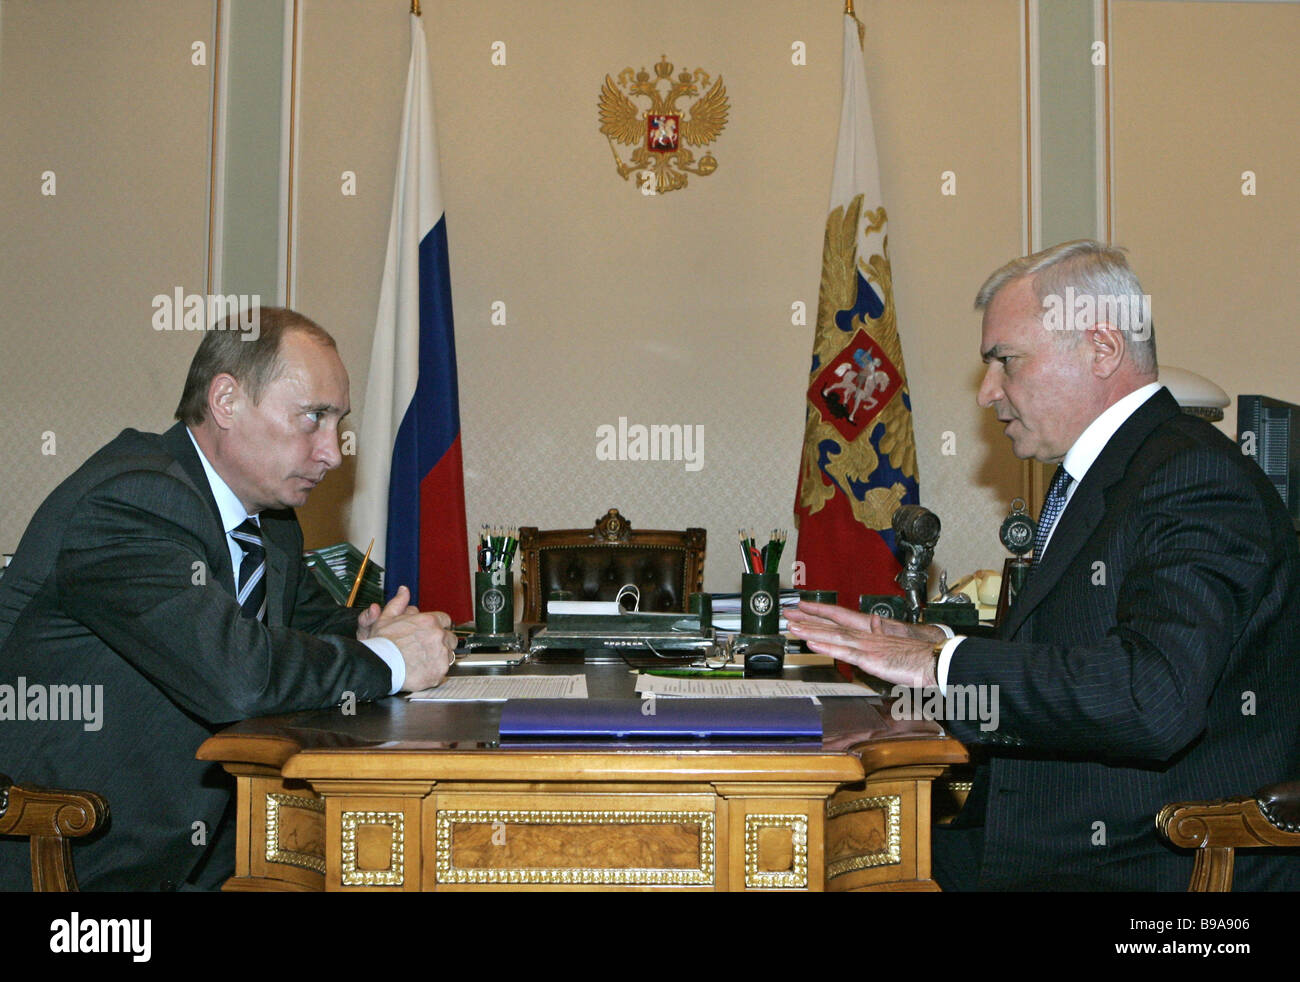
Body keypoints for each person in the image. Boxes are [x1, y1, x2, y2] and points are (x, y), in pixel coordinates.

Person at [786, 240, 1300, 890]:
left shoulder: (1192, 476)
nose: (989, 393)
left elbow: (1154, 697)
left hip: (1143, 869)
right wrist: (937, 655)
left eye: (1007, 361)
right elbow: (1080, 655)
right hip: (1047, 841)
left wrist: (941, 668)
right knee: (803, 859)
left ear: (1102, 349)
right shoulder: (1120, 472)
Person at [0, 306, 458, 890]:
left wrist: (375, 633)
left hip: (219, 845)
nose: (333, 452)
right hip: (81, 856)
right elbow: (236, 675)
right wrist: (391, 660)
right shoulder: (131, 500)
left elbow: (314, 633)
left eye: (336, 422)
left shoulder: (271, 522)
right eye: (313, 418)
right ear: (225, 401)